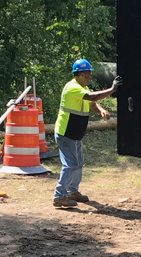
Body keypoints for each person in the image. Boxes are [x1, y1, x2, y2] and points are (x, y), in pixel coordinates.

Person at [53, 59, 122, 208]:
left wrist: (101, 110)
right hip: (66, 133)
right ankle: (59, 196)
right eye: (89, 74)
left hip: (74, 134)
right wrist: (112, 89)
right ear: (82, 74)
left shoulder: (81, 87)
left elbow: (92, 103)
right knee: (71, 165)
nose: (91, 77)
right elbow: (92, 97)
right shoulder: (73, 88)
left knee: (77, 164)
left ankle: (72, 191)